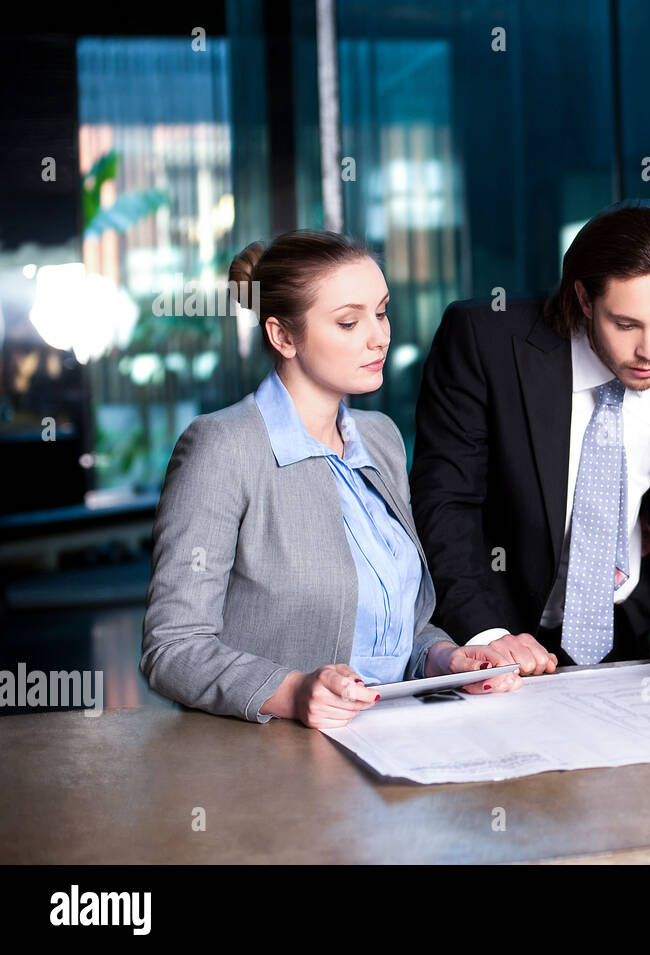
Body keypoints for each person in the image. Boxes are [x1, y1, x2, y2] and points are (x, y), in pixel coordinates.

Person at [141, 230, 520, 727]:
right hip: (274, 760)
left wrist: (443, 658)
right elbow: (173, 647)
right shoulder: (223, 447)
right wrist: (293, 692)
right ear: (283, 336)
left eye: (381, 312)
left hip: (395, 737)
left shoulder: (380, 438)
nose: (379, 336)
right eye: (348, 321)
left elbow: (390, 626)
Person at [411, 199, 650, 668]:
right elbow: (444, 503)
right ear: (583, 299)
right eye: (625, 324)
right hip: (502, 632)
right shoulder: (485, 342)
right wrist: (489, 637)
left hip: (623, 629)